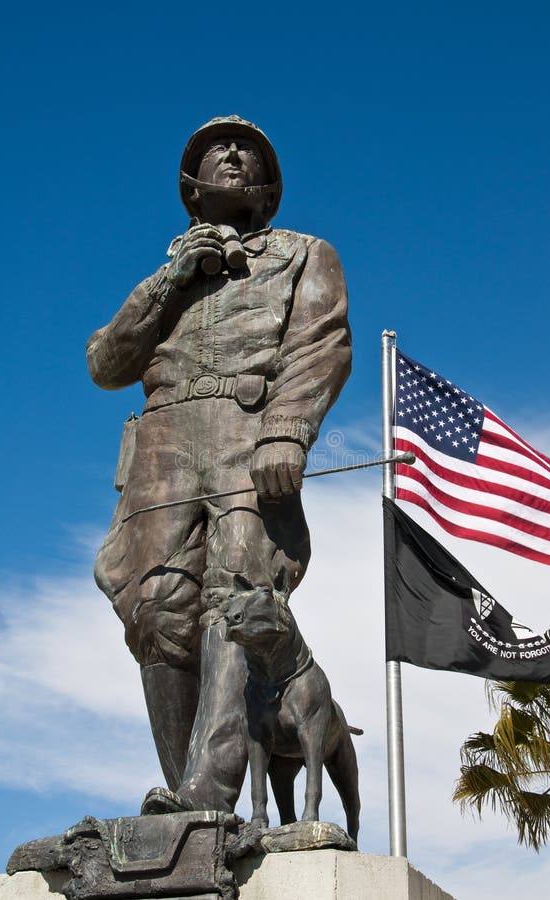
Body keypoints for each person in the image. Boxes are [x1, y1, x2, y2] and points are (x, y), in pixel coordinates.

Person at [87, 115, 351, 812]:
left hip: (247, 433)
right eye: (216, 151)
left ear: (265, 188)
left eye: (247, 153)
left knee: (235, 603)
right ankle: (187, 805)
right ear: (192, 190)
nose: (232, 154)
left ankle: (208, 792)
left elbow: (322, 344)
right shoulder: (165, 279)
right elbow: (107, 365)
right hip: (163, 450)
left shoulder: (304, 253)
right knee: (154, 613)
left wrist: (288, 430)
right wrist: (172, 281)